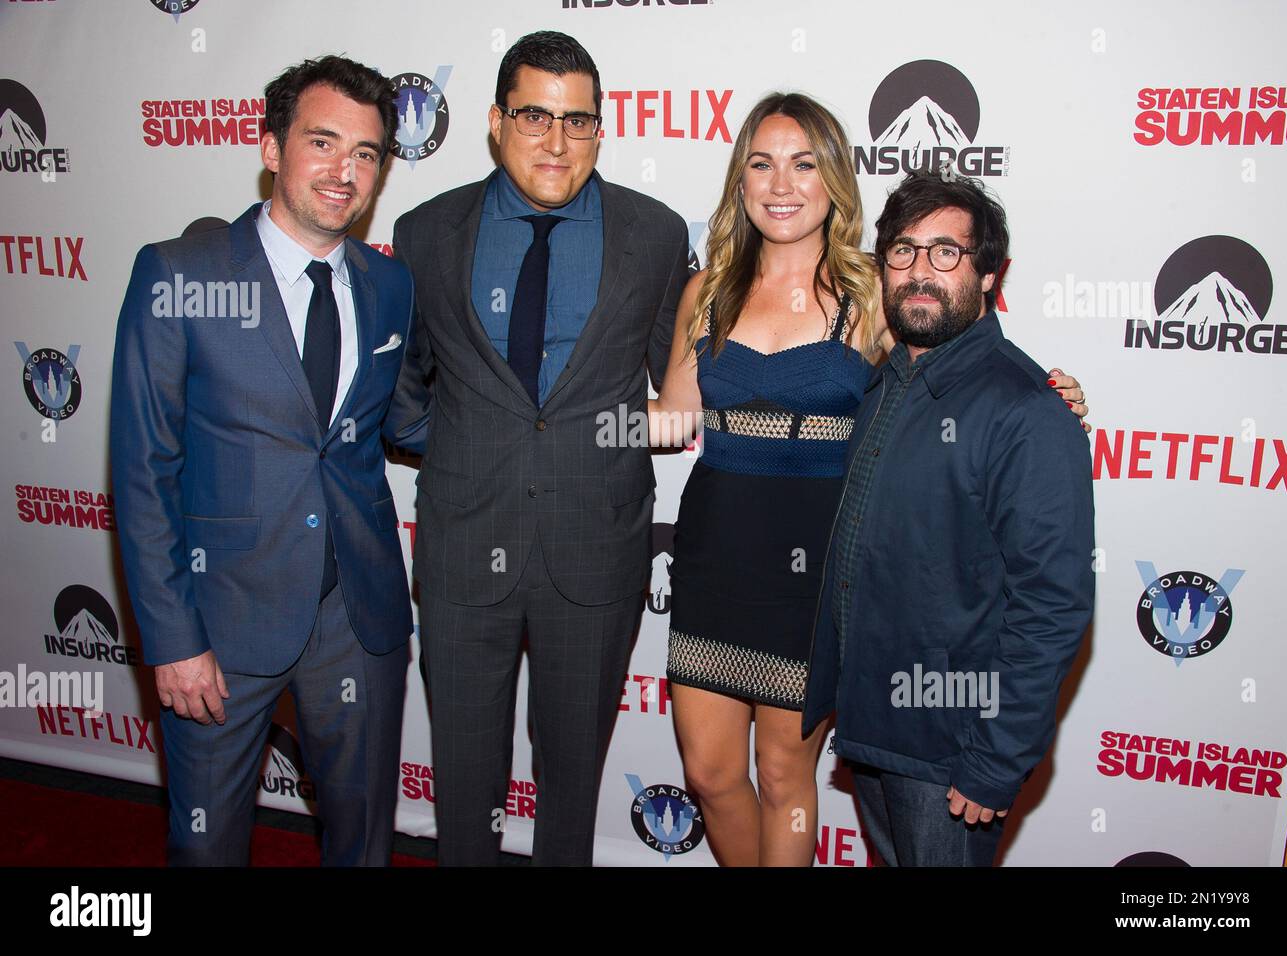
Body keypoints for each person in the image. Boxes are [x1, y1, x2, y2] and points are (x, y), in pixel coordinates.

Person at [649, 95, 1090, 866]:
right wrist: (559, 406)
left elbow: (955, 360)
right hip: (713, 561)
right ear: (740, 180)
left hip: (813, 579)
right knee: (710, 775)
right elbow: (674, 417)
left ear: (834, 181)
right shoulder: (705, 292)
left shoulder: (872, 296)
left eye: (803, 163)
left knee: (786, 774)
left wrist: (1053, 395)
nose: (780, 183)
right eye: (761, 162)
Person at [383, 31, 690, 866]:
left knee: (572, 785)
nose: (557, 142)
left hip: (596, 551)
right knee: (464, 777)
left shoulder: (655, 236)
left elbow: (686, 374)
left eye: (578, 122)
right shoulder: (426, 231)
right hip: (461, 545)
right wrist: (459, 451)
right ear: (494, 120)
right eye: (535, 116)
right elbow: (404, 383)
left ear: (600, 128)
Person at [111, 56, 413, 866]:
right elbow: (144, 471)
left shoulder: (389, 288)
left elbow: (403, 422)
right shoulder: (179, 274)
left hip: (358, 616)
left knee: (362, 843)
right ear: (271, 148)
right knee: (206, 846)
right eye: (322, 143)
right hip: (221, 620)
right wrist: (172, 639)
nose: (344, 171)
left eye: (365, 153)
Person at [801, 169, 1096, 867]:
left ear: (990, 275)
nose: (920, 271)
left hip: (951, 753)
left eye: (946, 253)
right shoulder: (882, 383)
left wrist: (996, 760)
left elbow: (1051, 606)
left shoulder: (1027, 412)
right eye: (903, 251)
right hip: (876, 730)